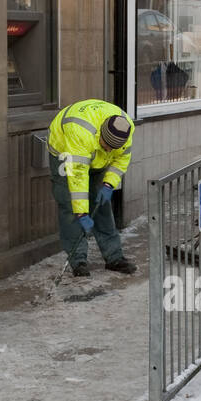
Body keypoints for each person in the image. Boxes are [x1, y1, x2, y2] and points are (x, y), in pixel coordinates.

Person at [47, 100, 136, 277]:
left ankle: (114, 257)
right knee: (70, 205)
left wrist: (109, 184)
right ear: (100, 134)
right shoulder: (80, 133)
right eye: (106, 145)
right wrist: (81, 213)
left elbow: (120, 160)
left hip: (95, 157)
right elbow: (77, 176)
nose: (108, 149)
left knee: (101, 204)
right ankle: (78, 260)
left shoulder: (126, 128)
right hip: (65, 151)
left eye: (112, 148)